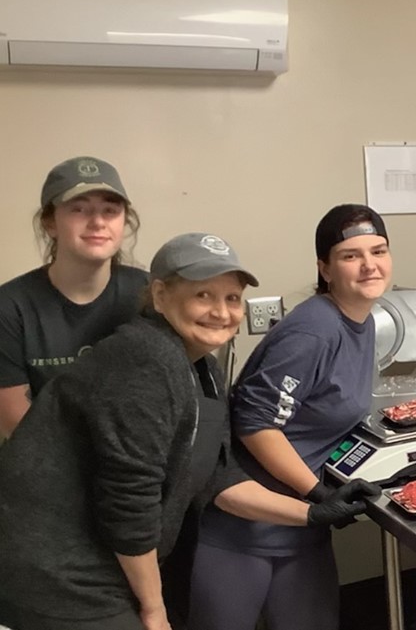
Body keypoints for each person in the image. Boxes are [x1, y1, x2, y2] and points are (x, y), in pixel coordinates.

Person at [0, 233, 379, 630]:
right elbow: (130, 505)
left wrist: (316, 508)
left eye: (232, 298)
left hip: (104, 559)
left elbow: (217, 478)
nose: (221, 311)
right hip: (56, 569)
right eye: (203, 295)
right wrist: (153, 607)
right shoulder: (143, 360)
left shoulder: (203, 370)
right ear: (161, 296)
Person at [191, 205, 391, 630]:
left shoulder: (363, 320)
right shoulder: (315, 330)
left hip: (301, 527)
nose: (370, 265)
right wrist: (318, 493)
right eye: (351, 255)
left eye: (379, 251)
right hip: (245, 531)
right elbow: (255, 421)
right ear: (325, 267)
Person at [0, 156, 147, 437]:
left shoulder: (149, 294)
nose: (97, 222)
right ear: (50, 223)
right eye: (78, 209)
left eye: (110, 210)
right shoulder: (9, 308)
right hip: (44, 462)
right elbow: (16, 426)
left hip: (137, 457)